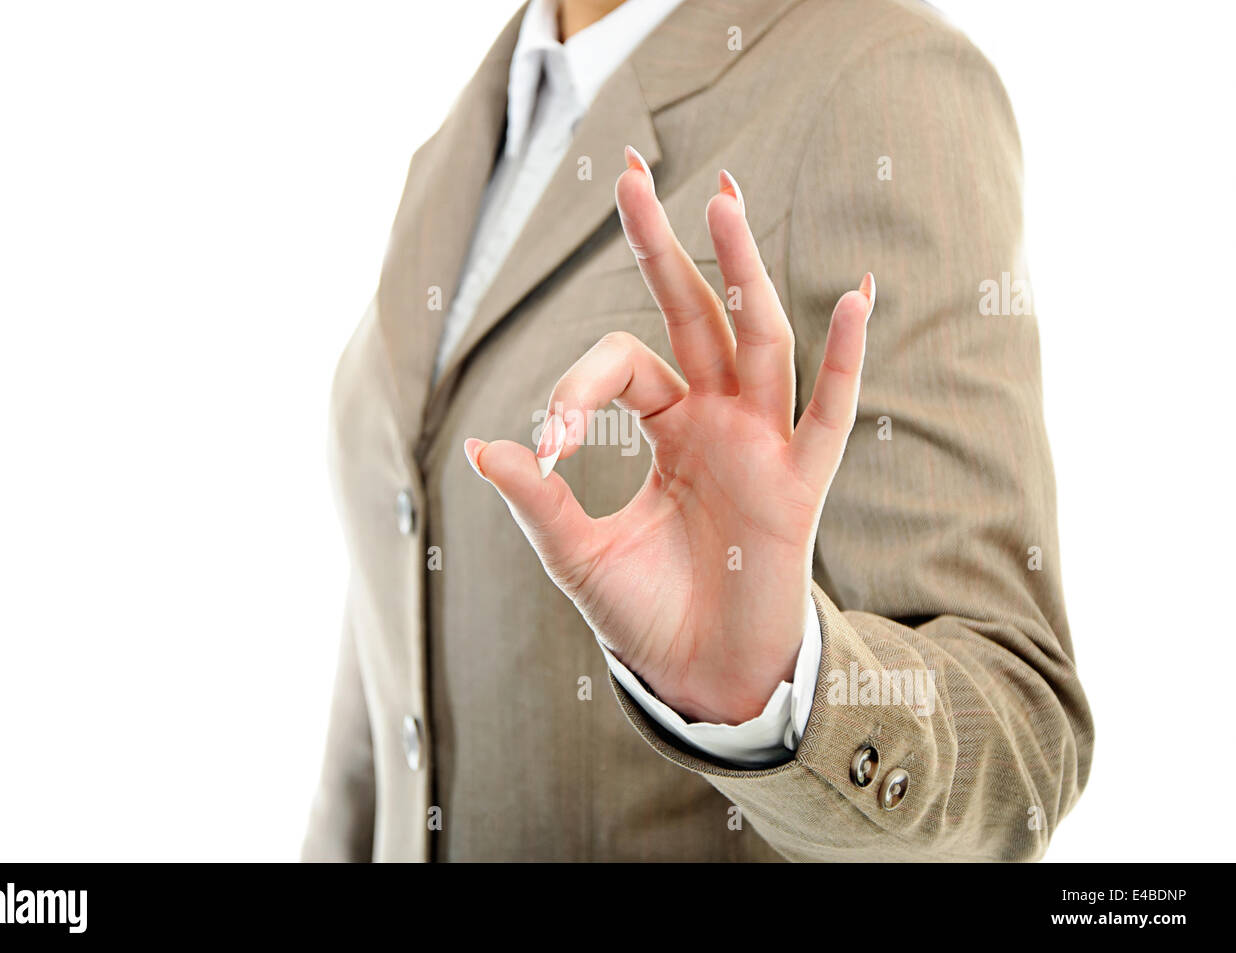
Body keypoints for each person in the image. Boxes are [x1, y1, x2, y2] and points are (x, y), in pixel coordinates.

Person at [303, 0, 1093, 862]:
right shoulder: (460, 140)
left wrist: (780, 693)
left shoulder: (878, 79)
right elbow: (382, 710)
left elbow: (1021, 740)